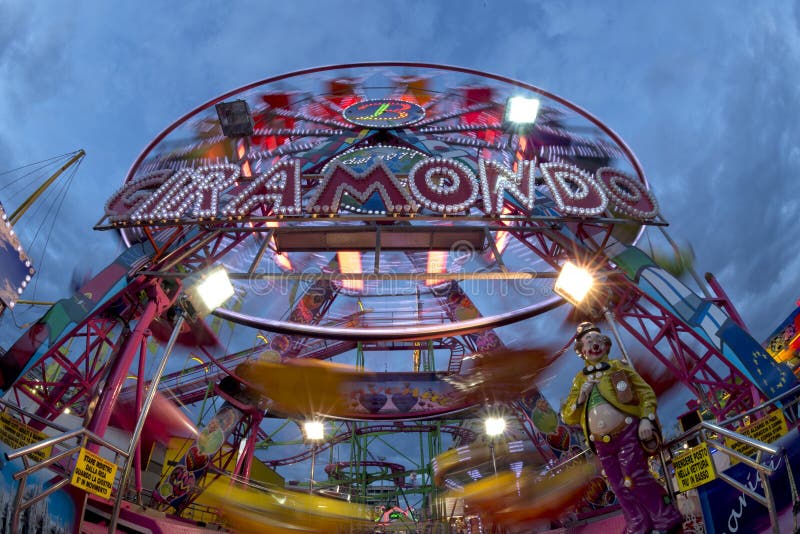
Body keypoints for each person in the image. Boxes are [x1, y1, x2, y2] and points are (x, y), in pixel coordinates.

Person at [561, 322, 683, 534]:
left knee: (634, 475)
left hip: (627, 432)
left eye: (598, 341)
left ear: (606, 346)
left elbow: (646, 393)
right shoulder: (579, 380)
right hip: (602, 443)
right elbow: (568, 416)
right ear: (581, 351)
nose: (594, 345)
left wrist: (646, 419)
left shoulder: (618, 367)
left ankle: (665, 515)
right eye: (588, 342)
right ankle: (638, 523)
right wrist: (581, 397)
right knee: (618, 485)